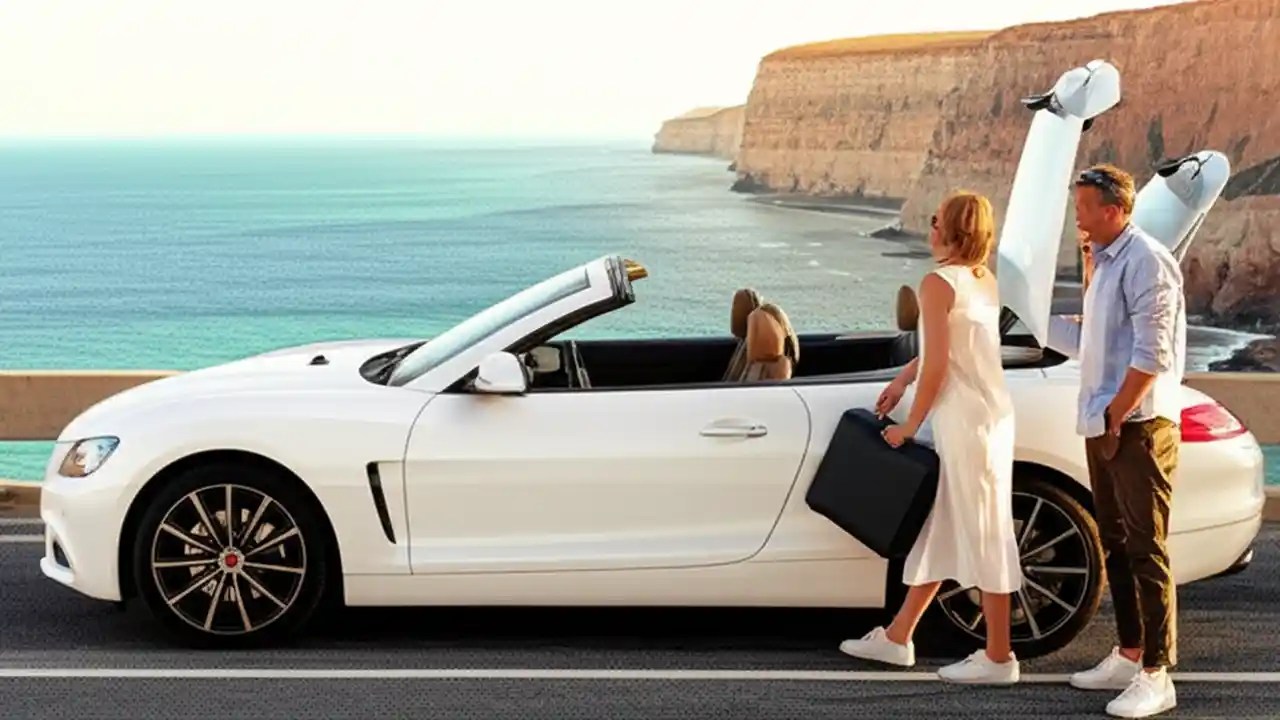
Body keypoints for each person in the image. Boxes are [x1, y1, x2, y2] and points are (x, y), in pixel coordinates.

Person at [837, 190, 1022, 685]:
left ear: (953, 230)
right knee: (944, 526)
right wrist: (903, 378)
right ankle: (899, 637)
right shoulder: (983, 281)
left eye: (937, 219)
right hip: (993, 417)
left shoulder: (937, 283)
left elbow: (940, 364)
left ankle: (1000, 657)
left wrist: (909, 425)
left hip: (966, 421)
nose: (930, 226)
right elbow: (949, 348)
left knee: (985, 531)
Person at [1046, 164, 1185, 719]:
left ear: (1113, 210)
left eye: (1083, 208)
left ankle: (1157, 672)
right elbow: (1091, 341)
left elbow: (1153, 354)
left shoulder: (1146, 260)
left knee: (1147, 549)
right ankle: (1130, 653)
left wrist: (1117, 414)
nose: (1075, 217)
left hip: (1138, 425)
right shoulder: (1104, 261)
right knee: (1116, 544)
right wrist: (1032, 319)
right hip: (1106, 420)